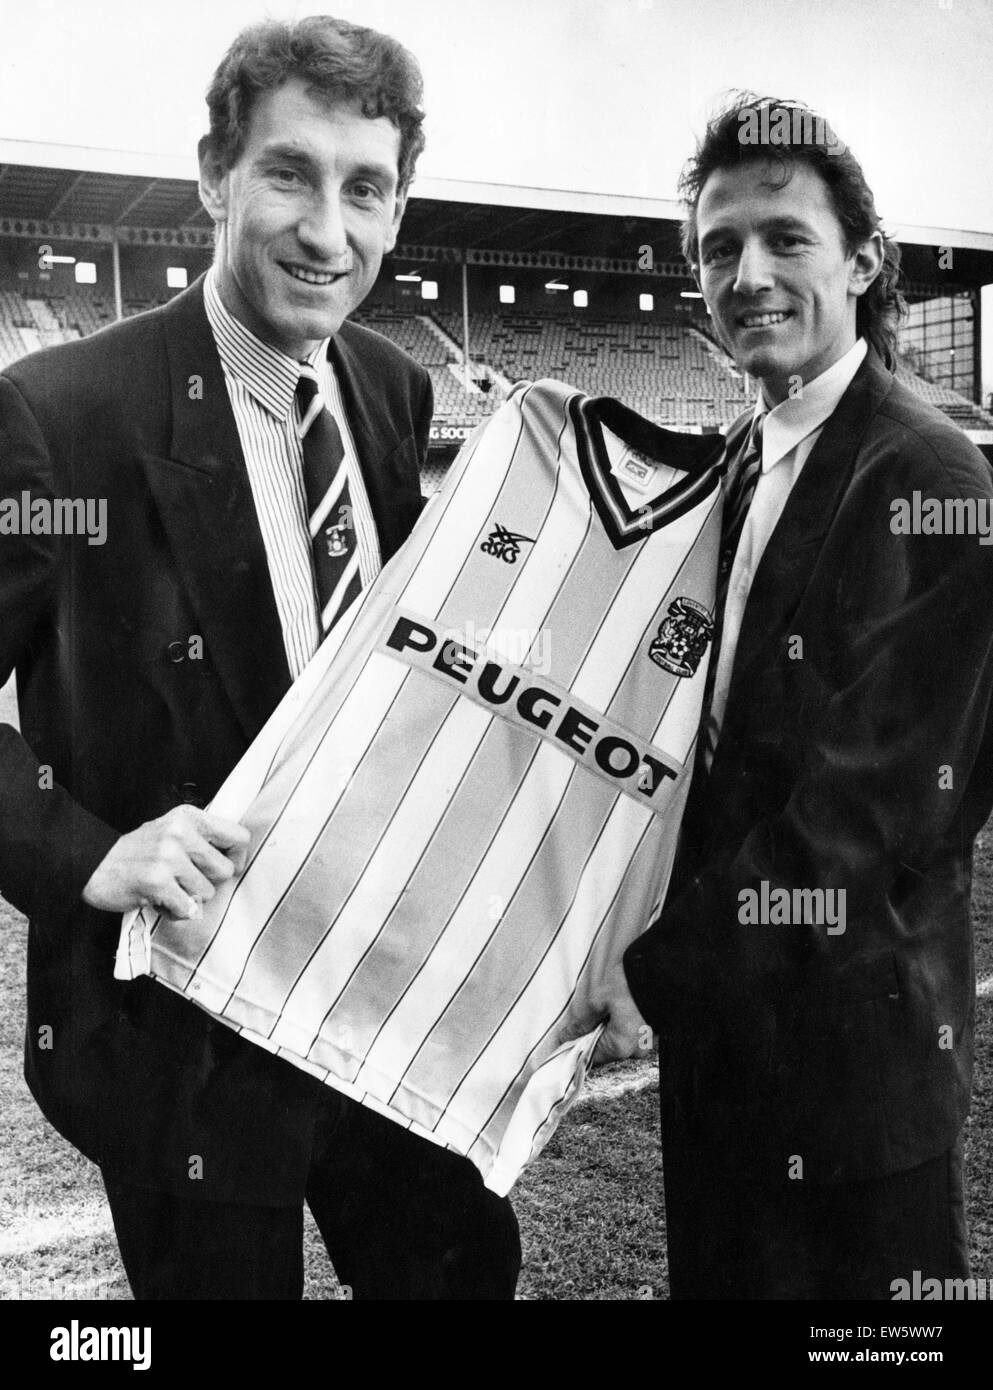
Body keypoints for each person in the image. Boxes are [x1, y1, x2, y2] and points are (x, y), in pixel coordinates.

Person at [0, 14, 520, 1300]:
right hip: (181, 1035)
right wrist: (89, 852)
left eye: (366, 189)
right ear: (214, 177)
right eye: (290, 173)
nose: (326, 231)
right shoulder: (61, 413)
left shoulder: (391, 390)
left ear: (398, 208)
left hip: (384, 1005)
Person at [592, 94, 993, 1299]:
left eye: (785, 239)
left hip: (854, 1075)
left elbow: (867, 821)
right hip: (729, 1065)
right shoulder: (743, 455)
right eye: (719, 248)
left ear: (863, 262)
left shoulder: (931, 475)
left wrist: (652, 972)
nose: (748, 276)